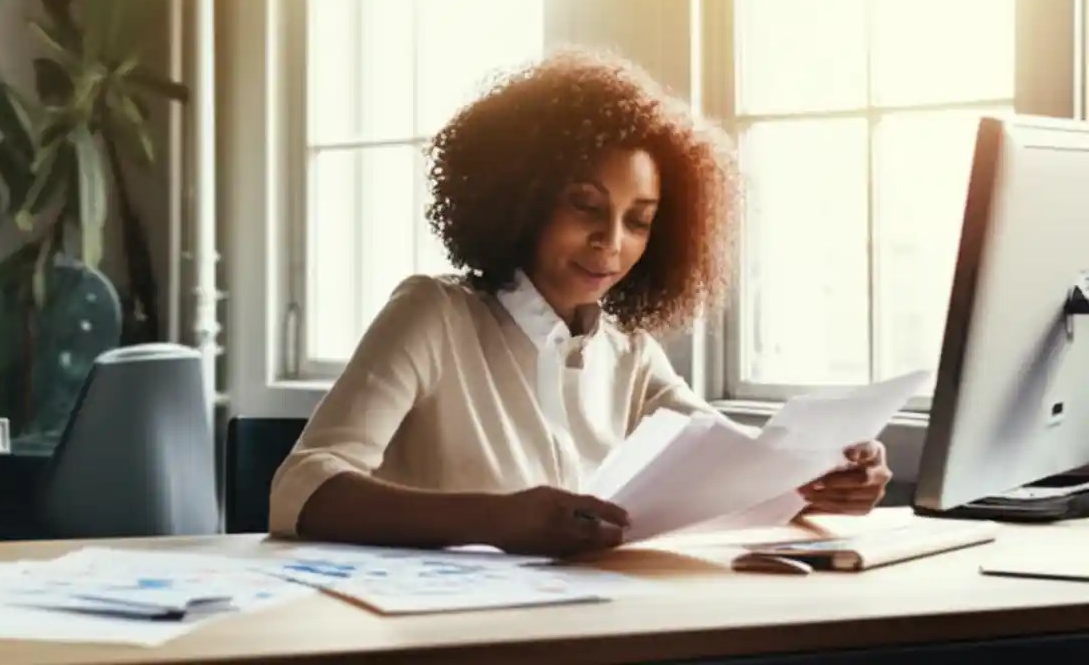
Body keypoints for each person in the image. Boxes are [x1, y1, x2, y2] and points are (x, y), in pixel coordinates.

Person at [268, 49, 892, 557]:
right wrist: (497, 519)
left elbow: (739, 466)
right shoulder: (432, 315)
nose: (611, 243)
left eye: (639, 221)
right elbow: (301, 489)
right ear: (522, 198)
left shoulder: (631, 356)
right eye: (586, 207)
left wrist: (826, 477)